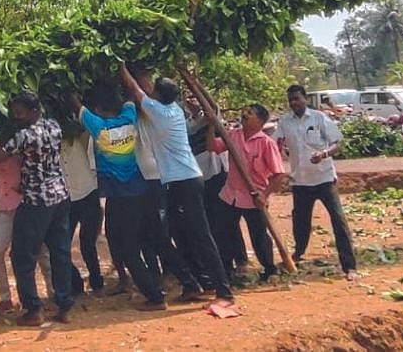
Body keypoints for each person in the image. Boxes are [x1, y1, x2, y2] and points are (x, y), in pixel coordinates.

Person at [121, 65, 233, 303]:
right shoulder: (174, 110)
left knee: (200, 234)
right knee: (170, 235)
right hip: (179, 180)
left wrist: (121, 65)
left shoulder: (158, 111)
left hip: (184, 181)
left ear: (158, 96)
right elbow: (143, 87)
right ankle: (192, 284)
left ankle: (223, 289)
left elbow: (134, 87)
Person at [71, 82, 167, 311]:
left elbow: (75, 103)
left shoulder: (98, 128)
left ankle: (155, 297)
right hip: (137, 193)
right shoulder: (128, 118)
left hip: (121, 197)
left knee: (129, 249)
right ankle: (152, 283)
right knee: (128, 238)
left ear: (98, 109)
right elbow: (130, 99)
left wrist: (72, 91)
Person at [0, 92, 75, 326]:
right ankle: (64, 304)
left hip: (36, 201)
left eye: (19, 113)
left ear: (34, 111)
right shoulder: (54, 126)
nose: (16, 117)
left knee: (22, 256)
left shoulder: (23, 136)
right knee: (60, 252)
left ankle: (33, 309)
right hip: (60, 196)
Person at [276, 85, 359, 280]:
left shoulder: (319, 118)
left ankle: (349, 266)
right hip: (300, 180)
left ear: (305, 98)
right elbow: (275, 142)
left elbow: (338, 143)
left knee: (338, 220)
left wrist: (324, 154)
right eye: (291, 100)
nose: (294, 103)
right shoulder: (285, 122)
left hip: (324, 178)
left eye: (297, 98)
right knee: (300, 221)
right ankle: (299, 252)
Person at [0, 121, 54, 315]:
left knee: (41, 252)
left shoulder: (20, 144)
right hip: (6, 206)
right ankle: (5, 298)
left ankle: (52, 292)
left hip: (26, 205)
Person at [219, 104, 286, 282]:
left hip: (254, 197)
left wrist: (264, 194)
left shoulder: (266, 143)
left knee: (259, 235)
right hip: (231, 194)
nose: (244, 115)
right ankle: (226, 270)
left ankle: (269, 268)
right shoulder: (233, 135)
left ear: (260, 121)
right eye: (245, 112)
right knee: (225, 232)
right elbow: (214, 147)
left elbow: (278, 174)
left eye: (250, 113)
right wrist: (212, 126)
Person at [185, 94, 247, 276]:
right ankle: (223, 260)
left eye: (193, 97)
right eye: (187, 98)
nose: (191, 101)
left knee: (227, 219)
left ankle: (240, 259)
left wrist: (197, 89)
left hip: (218, 171)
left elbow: (212, 106)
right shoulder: (188, 123)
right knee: (212, 220)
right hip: (199, 173)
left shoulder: (211, 117)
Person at [59, 127, 102, 296]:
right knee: (61, 245)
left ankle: (97, 282)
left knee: (88, 243)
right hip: (66, 198)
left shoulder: (79, 136)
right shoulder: (48, 142)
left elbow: (84, 122)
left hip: (88, 192)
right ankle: (75, 283)